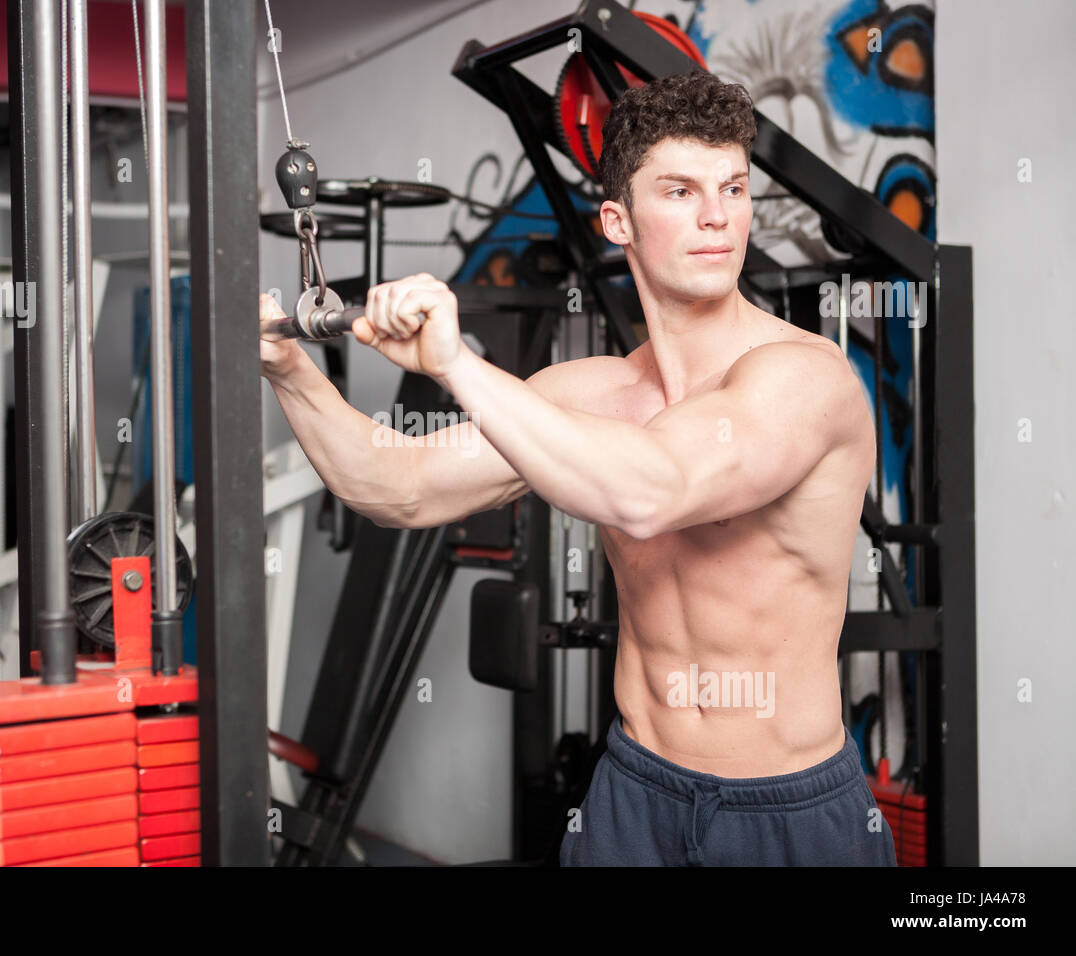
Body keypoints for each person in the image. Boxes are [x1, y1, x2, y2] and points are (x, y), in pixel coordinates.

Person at [259, 70, 895, 866]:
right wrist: (288, 369)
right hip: (631, 796)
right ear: (616, 221)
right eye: (680, 190)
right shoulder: (591, 393)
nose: (716, 216)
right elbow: (397, 486)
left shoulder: (806, 380)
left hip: (785, 812)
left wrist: (456, 366)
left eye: (733, 187)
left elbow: (650, 490)